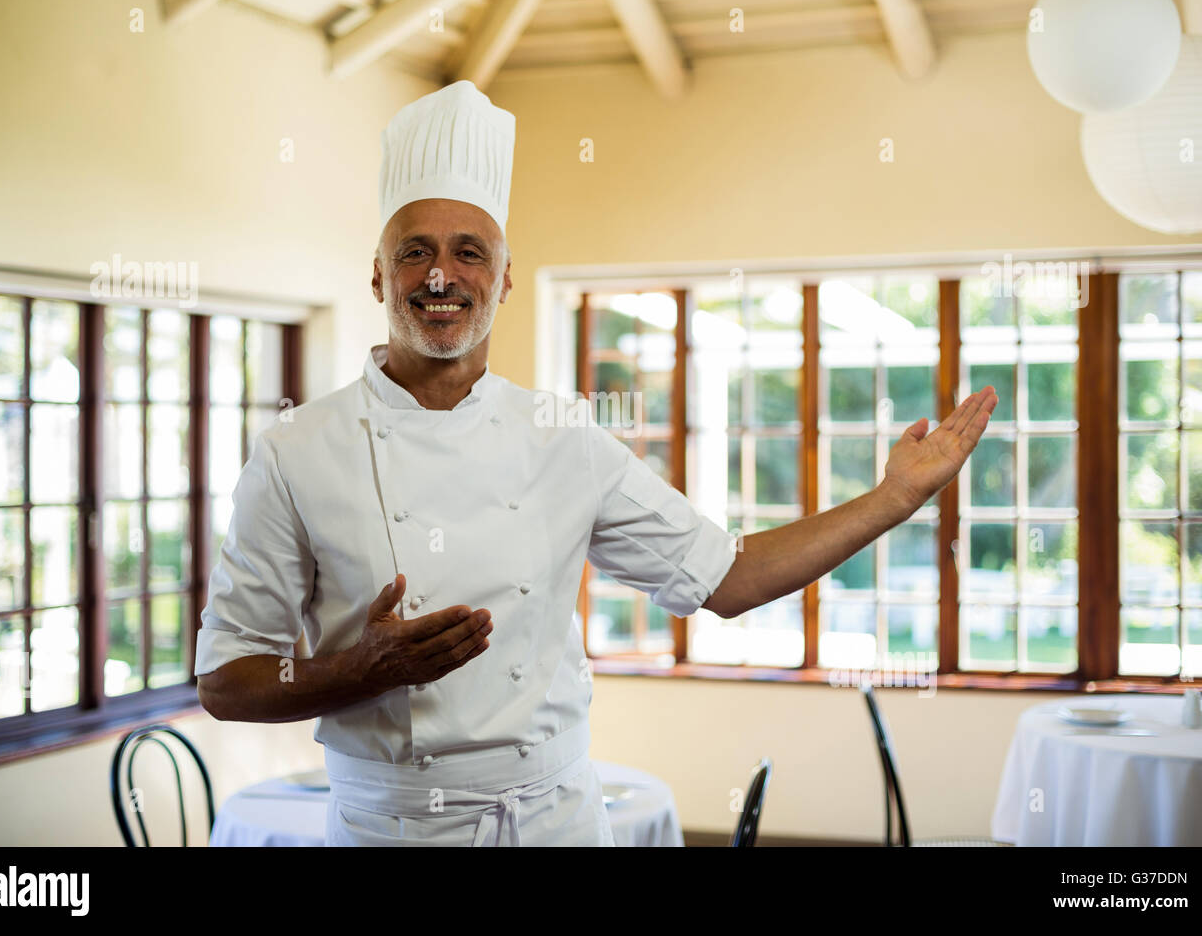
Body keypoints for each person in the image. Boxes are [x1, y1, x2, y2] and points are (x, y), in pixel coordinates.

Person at [194, 80, 998, 846]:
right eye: (415, 252)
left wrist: (892, 500)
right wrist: (357, 671)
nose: (442, 275)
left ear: (504, 280)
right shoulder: (296, 451)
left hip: (557, 821)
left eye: (469, 252)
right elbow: (226, 681)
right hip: (394, 829)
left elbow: (730, 578)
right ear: (378, 274)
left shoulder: (561, 435)